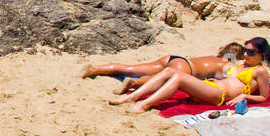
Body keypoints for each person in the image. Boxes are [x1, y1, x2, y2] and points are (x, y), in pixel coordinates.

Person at [114, 37, 270, 114]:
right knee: (170, 71)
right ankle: (131, 97)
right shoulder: (240, 64)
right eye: (245, 50)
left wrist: (245, 97)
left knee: (178, 77)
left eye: (250, 52)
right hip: (213, 87)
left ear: (262, 54)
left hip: (220, 95)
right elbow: (228, 78)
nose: (245, 54)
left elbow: (264, 97)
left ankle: (143, 105)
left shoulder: (260, 71)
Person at [83, 43, 245, 92]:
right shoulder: (227, 64)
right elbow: (232, 79)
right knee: (157, 81)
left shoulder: (212, 57)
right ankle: (133, 83)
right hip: (186, 68)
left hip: (174, 59)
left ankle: (96, 69)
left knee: (131, 67)